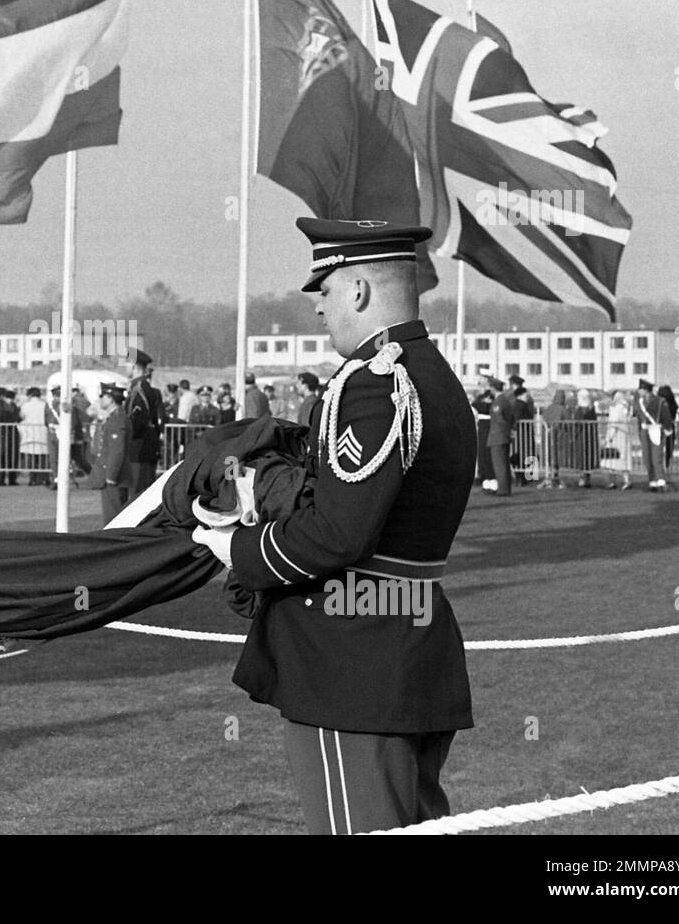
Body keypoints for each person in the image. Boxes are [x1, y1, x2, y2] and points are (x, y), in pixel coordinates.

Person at [191, 217, 475, 835]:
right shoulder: (433, 376)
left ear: (359, 292)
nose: (318, 308)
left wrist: (234, 546)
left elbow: (338, 535)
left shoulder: (376, 385)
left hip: (351, 657)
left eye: (324, 290)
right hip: (406, 641)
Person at [87, 382, 130, 524]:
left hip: (113, 476)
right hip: (109, 474)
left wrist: (111, 475)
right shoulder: (114, 417)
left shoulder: (117, 419)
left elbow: (117, 451)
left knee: (113, 518)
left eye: (103, 396)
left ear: (111, 399)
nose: (100, 399)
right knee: (113, 516)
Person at [124, 349, 164, 494]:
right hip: (146, 447)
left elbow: (136, 422)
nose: (125, 369)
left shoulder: (139, 390)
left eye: (127, 365)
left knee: (138, 493)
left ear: (134, 367)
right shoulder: (140, 388)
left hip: (139, 448)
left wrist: (126, 436)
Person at [634, 379, 671, 492]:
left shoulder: (660, 401)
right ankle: (652, 481)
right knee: (647, 458)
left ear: (645, 389)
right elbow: (639, 418)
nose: (639, 391)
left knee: (656, 457)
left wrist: (667, 429)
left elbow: (666, 416)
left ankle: (661, 480)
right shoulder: (638, 401)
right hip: (645, 430)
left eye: (641, 388)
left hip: (656, 429)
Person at [487, 377, 515, 496]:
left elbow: (500, 420)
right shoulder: (505, 400)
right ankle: (505, 488)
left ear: (493, 388)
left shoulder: (498, 402)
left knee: (500, 464)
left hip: (498, 436)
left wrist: (504, 432)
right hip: (502, 436)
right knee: (503, 463)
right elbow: (511, 418)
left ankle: (503, 489)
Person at [18, 386, 51, 487]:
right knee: (44, 458)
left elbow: (21, 417)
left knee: (32, 458)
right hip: (43, 433)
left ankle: (33, 479)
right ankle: (44, 478)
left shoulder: (25, 406)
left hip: (30, 434)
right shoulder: (45, 405)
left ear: (30, 395)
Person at [539, 389, 572, 489]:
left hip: (547, 436)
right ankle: (556, 478)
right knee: (557, 457)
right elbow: (568, 422)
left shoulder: (549, 408)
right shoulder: (563, 409)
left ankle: (549, 477)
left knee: (549, 457)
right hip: (559, 437)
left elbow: (543, 419)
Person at [571, 388, 600, 488]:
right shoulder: (591, 410)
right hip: (588, 438)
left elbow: (576, 424)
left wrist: (574, 435)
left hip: (582, 438)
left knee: (583, 458)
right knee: (587, 458)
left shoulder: (580, 410)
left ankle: (584, 478)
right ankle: (586, 478)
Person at [603, 390, 632, 490]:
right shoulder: (626, 408)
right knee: (624, 459)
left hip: (615, 438)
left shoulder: (616, 409)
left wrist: (608, 438)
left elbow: (613, 424)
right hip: (624, 436)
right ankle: (626, 480)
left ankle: (612, 481)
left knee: (612, 459)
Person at [657, 385, 679, 472]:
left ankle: (662, 468)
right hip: (669, 427)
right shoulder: (672, 403)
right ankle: (666, 466)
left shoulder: (661, 403)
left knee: (660, 449)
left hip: (661, 427)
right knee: (669, 448)